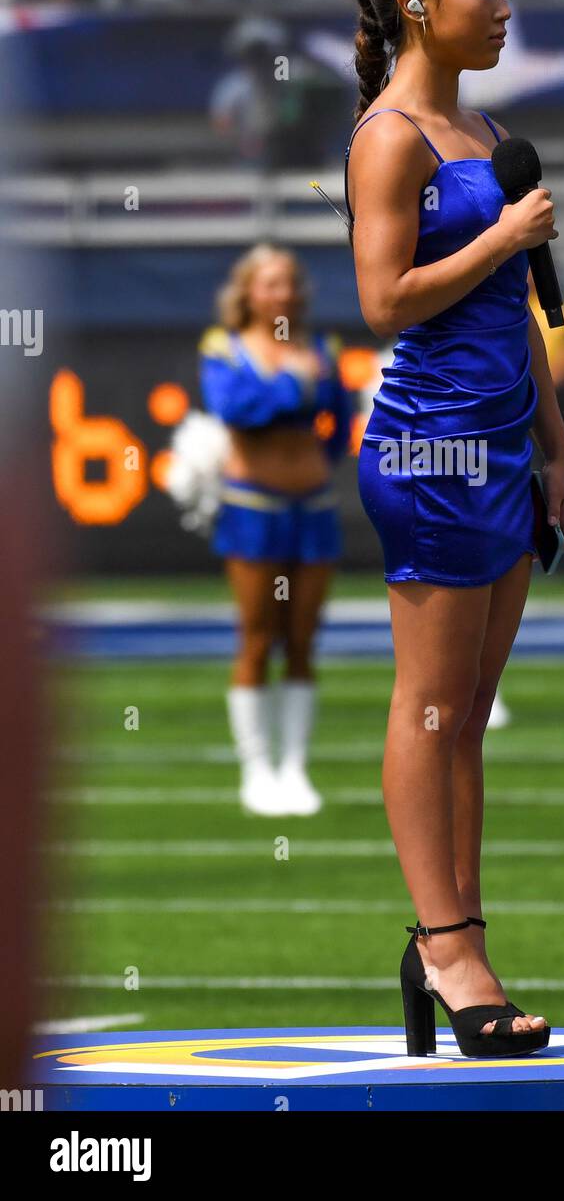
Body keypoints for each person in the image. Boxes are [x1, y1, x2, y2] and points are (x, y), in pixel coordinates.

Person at [343, 0, 564, 1058]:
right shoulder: (390, 139)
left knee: (468, 717)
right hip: (425, 456)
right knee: (427, 708)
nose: (502, 7)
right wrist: (501, 237)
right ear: (415, 1)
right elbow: (382, 303)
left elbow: (514, 314)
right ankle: (444, 949)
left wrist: (558, 446)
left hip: (500, 455)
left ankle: (459, 931)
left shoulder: (486, 139)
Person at [198, 244, 353, 817]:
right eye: (269, 284)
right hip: (253, 508)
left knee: (305, 641)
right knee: (257, 637)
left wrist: (317, 452)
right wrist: (291, 385)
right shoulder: (223, 347)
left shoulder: (322, 347)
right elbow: (236, 408)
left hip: (312, 506)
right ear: (247, 292)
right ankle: (255, 769)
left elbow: (337, 421)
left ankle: (294, 768)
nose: (282, 294)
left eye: (289, 283)